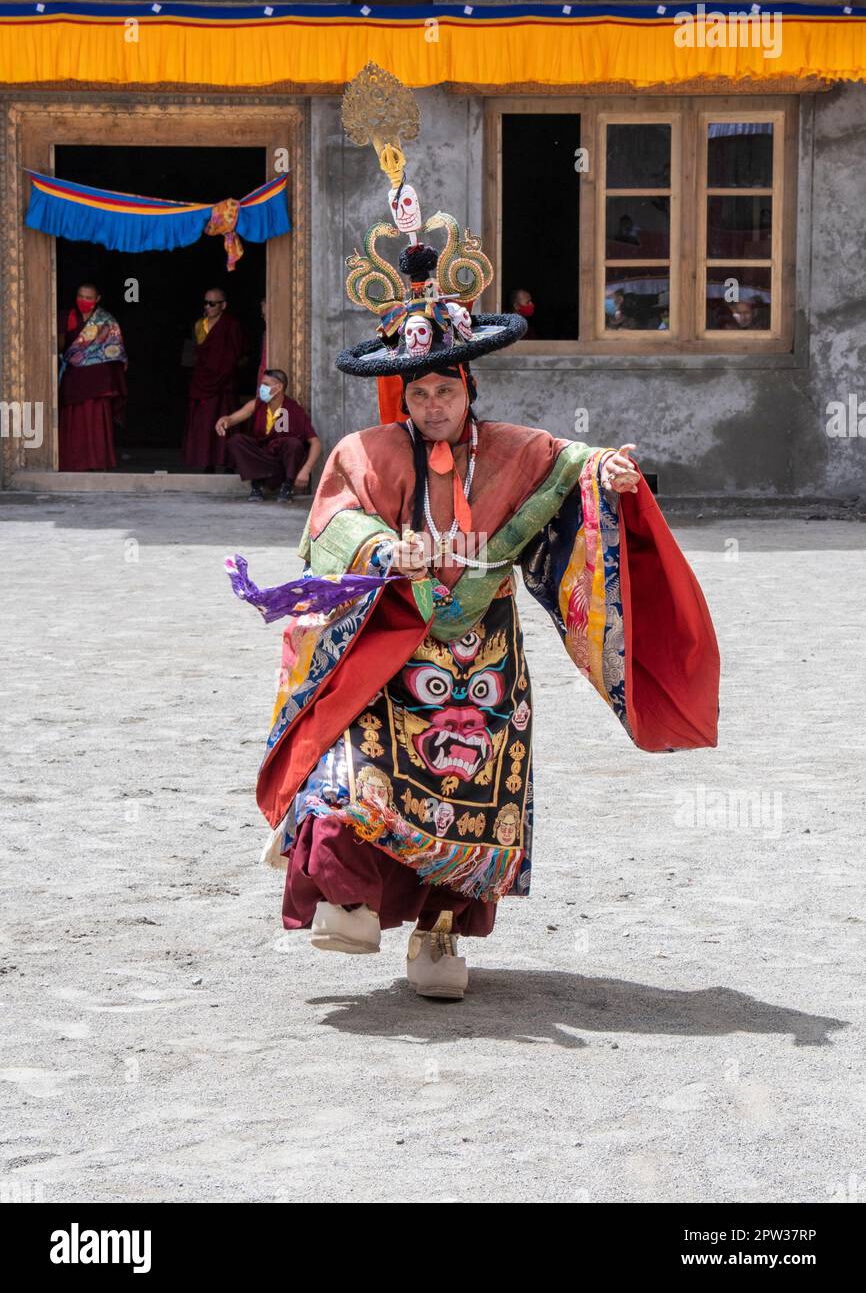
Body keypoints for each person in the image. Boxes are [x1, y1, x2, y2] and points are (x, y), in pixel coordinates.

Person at [229, 63, 720, 1002]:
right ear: (403, 396)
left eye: (448, 388)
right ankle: (353, 901)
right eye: (419, 391)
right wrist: (387, 549)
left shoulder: (516, 450)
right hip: (397, 644)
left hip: (485, 650)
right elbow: (331, 530)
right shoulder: (369, 451)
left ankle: (442, 939)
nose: (435, 402)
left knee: (475, 795)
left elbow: (575, 471)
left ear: (471, 388)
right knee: (361, 770)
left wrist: (611, 477)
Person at [218, 368, 321, 501]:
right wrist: (225, 420)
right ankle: (257, 484)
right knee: (236, 440)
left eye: (266, 385)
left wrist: (306, 469)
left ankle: (287, 486)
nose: (261, 388)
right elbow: (234, 418)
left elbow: (315, 443)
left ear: (278, 387)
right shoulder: (257, 404)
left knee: (293, 444)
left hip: (281, 463)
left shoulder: (293, 409)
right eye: (261, 385)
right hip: (260, 457)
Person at [58, 283, 127, 471]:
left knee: (96, 423)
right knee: (74, 422)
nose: (84, 301)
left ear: (97, 299)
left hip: (98, 380)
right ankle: (73, 462)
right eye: (80, 296)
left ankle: (98, 462)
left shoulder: (106, 320)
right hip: (75, 377)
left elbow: (117, 351)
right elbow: (59, 345)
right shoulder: (68, 317)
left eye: (88, 298)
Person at [182, 287, 245, 471]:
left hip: (224, 383)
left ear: (223, 305)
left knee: (227, 422)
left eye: (212, 303)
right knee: (203, 424)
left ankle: (228, 464)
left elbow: (238, 354)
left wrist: (227, 371)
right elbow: (195, 353)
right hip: (202, 381)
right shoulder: (199, 325)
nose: (208, 307)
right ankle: (206, 463)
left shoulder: (231, 325)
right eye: (206, 303)